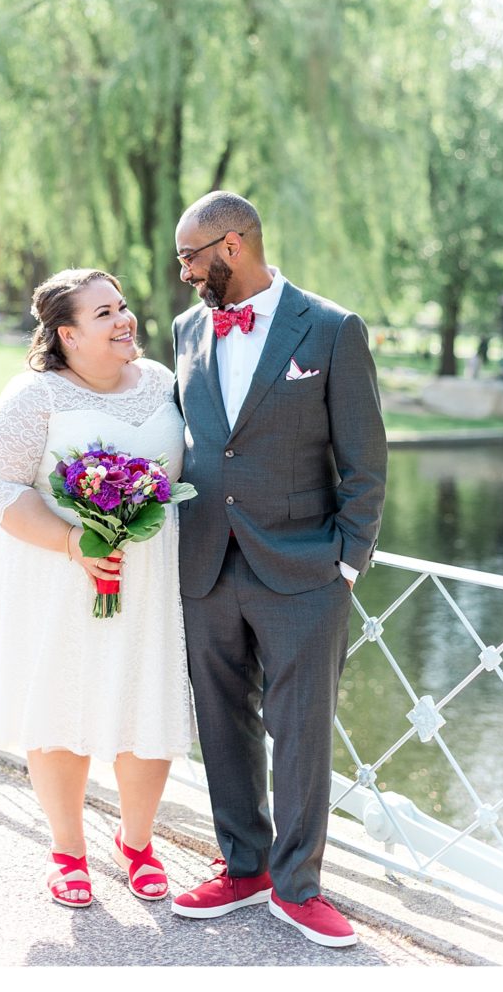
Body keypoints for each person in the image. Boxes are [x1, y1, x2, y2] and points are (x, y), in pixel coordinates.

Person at [168, 191, 386, 948]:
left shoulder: (330, 328)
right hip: (206, 561)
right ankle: (244, 867)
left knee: (301, 731)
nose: (184, 272)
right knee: (221, 723)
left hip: (303, 570)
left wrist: (347, 564)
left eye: (190, 257)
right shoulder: (187, 329)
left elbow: (365, 462)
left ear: (232, 246)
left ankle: (298, 887)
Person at [0, 269, 194, 909]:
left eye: (122, 307)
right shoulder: (36, 396)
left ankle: (136, 843)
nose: (124, 320)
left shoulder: (162, 383)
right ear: (67, 334)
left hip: (148, 579)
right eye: (104, 313)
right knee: (60, 704)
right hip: (60, 579)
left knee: (147, 701)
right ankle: (68, 850)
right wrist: (74, 543)